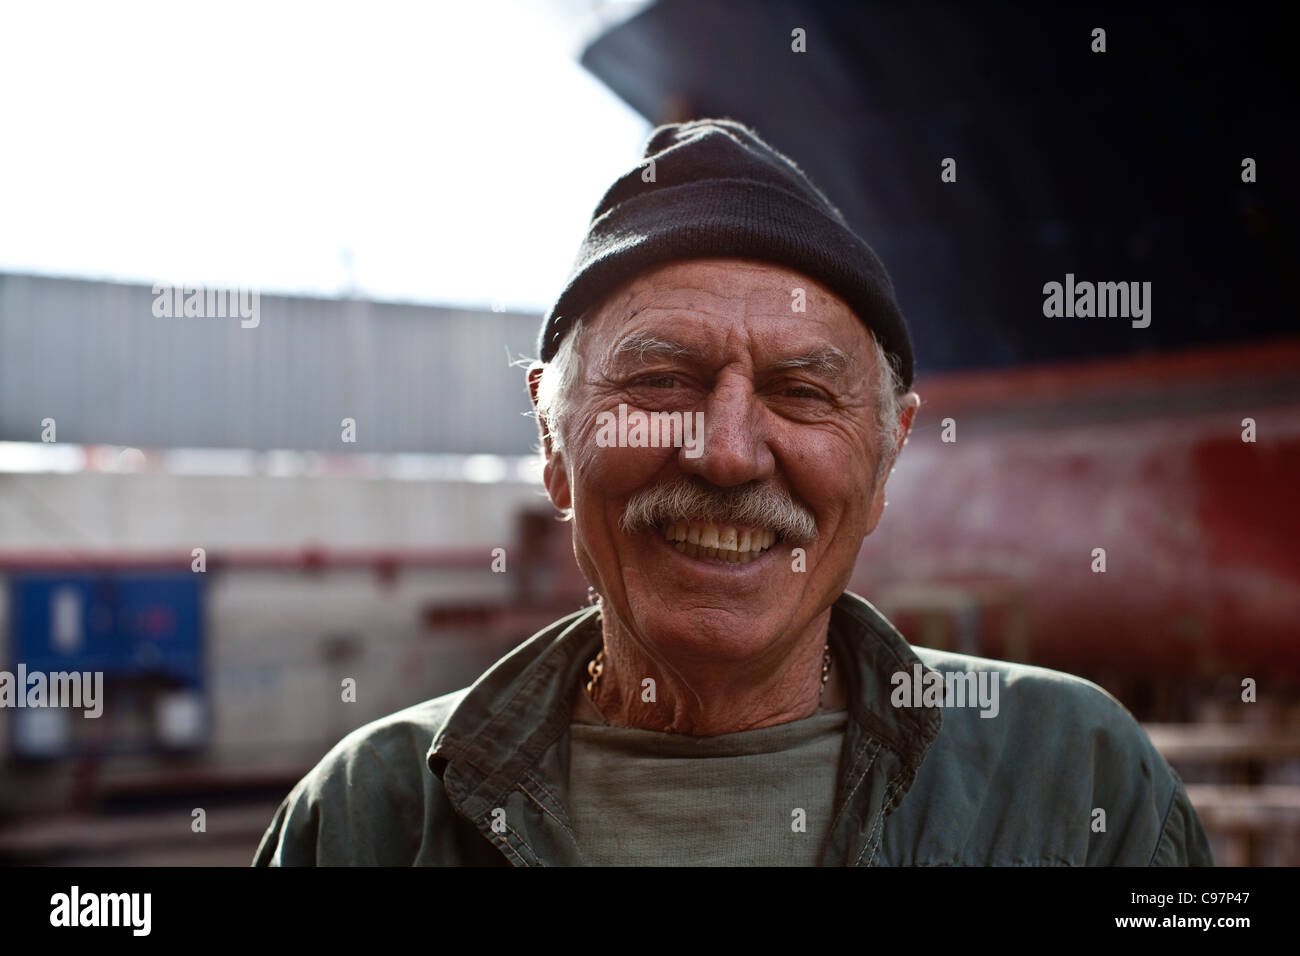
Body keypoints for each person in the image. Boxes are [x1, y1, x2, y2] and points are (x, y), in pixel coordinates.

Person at [253, 119, 1213, 866]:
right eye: (661, 381)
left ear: (887, 454)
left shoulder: (1077, 775)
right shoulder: (364, 816)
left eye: (802, 393)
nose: (727, 454)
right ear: (551, 437)